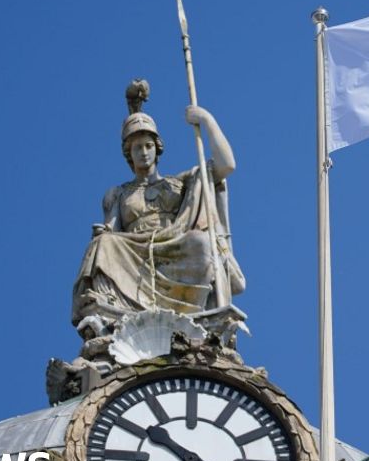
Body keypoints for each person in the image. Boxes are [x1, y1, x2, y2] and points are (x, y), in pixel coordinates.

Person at [71, 80, 244, 331]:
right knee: (102, 245)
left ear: (157, 148)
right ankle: (109, 302)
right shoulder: (119, 193)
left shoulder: (180, 182)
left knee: (201, 243)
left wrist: (207, 120)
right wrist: (102, 233)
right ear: (128, 153)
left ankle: (195, 306)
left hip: (173, 245)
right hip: (135, 251)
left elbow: (227, 165)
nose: (143, 152)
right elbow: (112, 231)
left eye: (148, 145)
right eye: (136, 147)